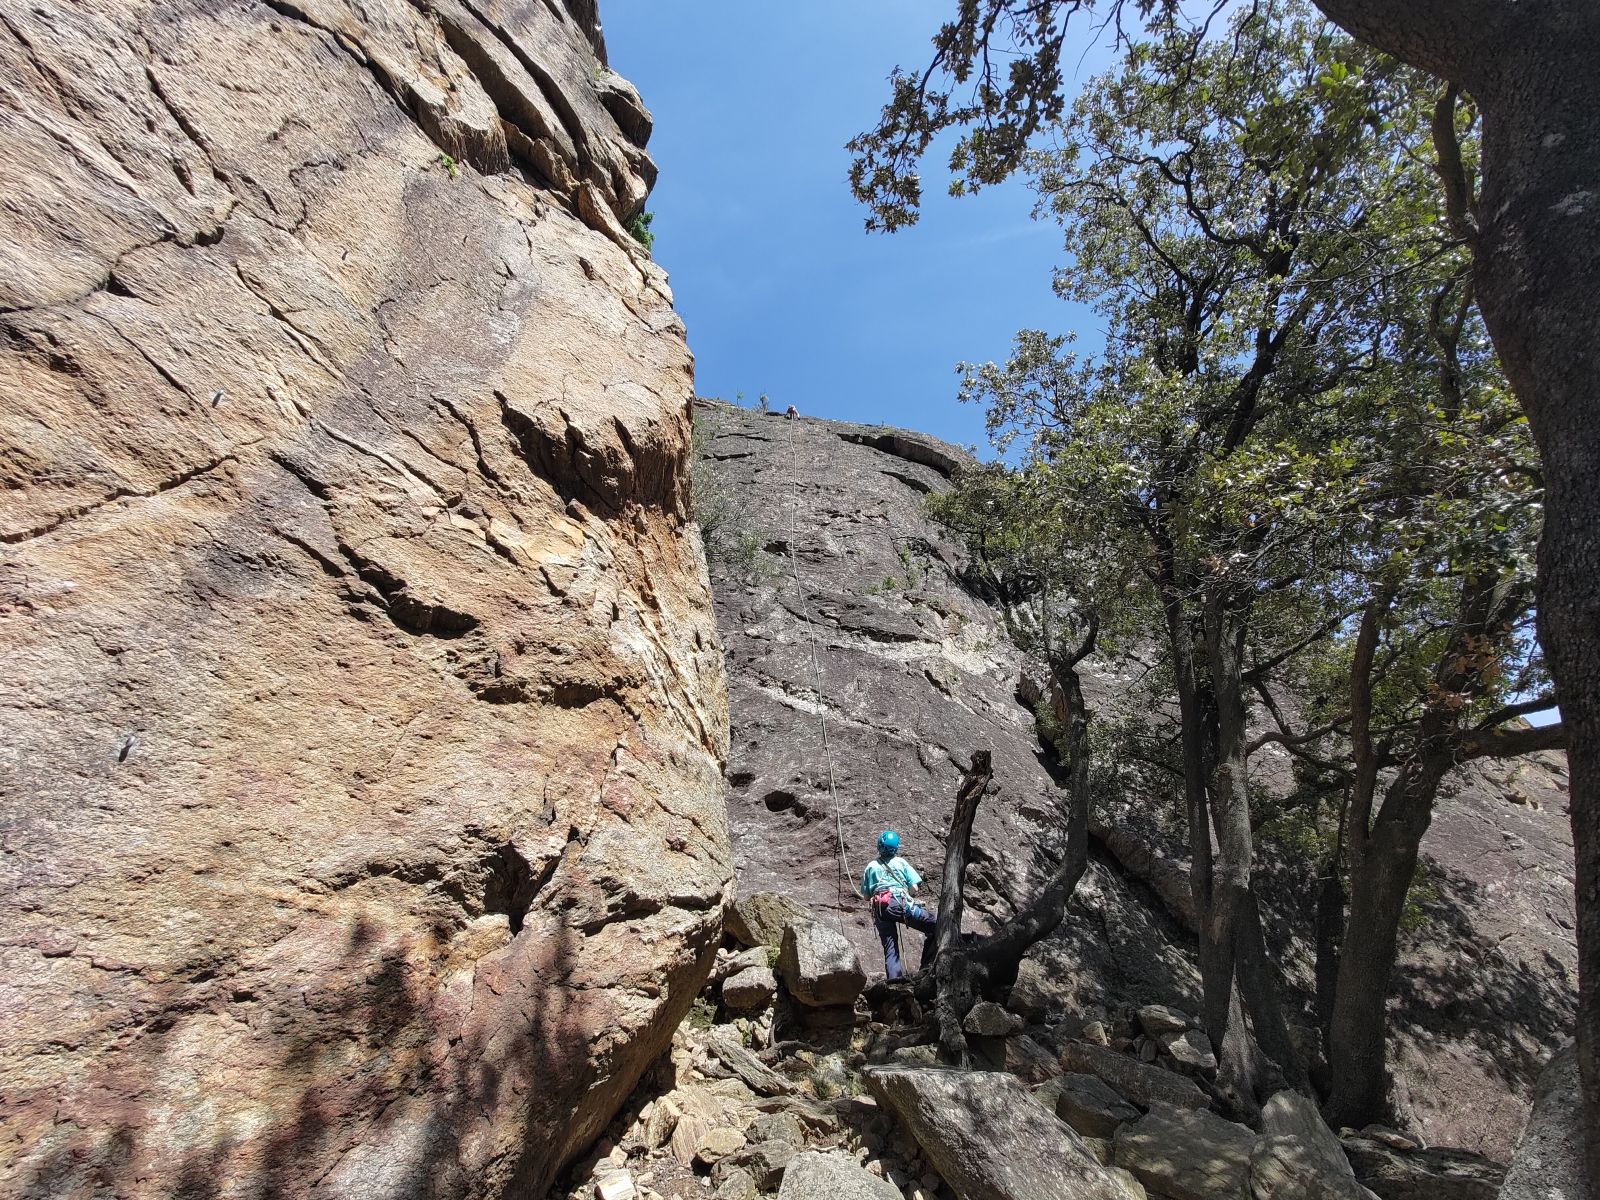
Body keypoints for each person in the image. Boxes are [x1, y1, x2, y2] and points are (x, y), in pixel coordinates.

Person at [859, 830, 937, 979]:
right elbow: (914, 888)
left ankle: (894, 981)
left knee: (890, 948)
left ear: (879, 846)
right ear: (896, 847)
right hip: (900, 903)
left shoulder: (871, 866)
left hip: (880, 909)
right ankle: (926, 967)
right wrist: (906, 894)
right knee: (936, 926)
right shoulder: (900, 862)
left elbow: (866, 896)